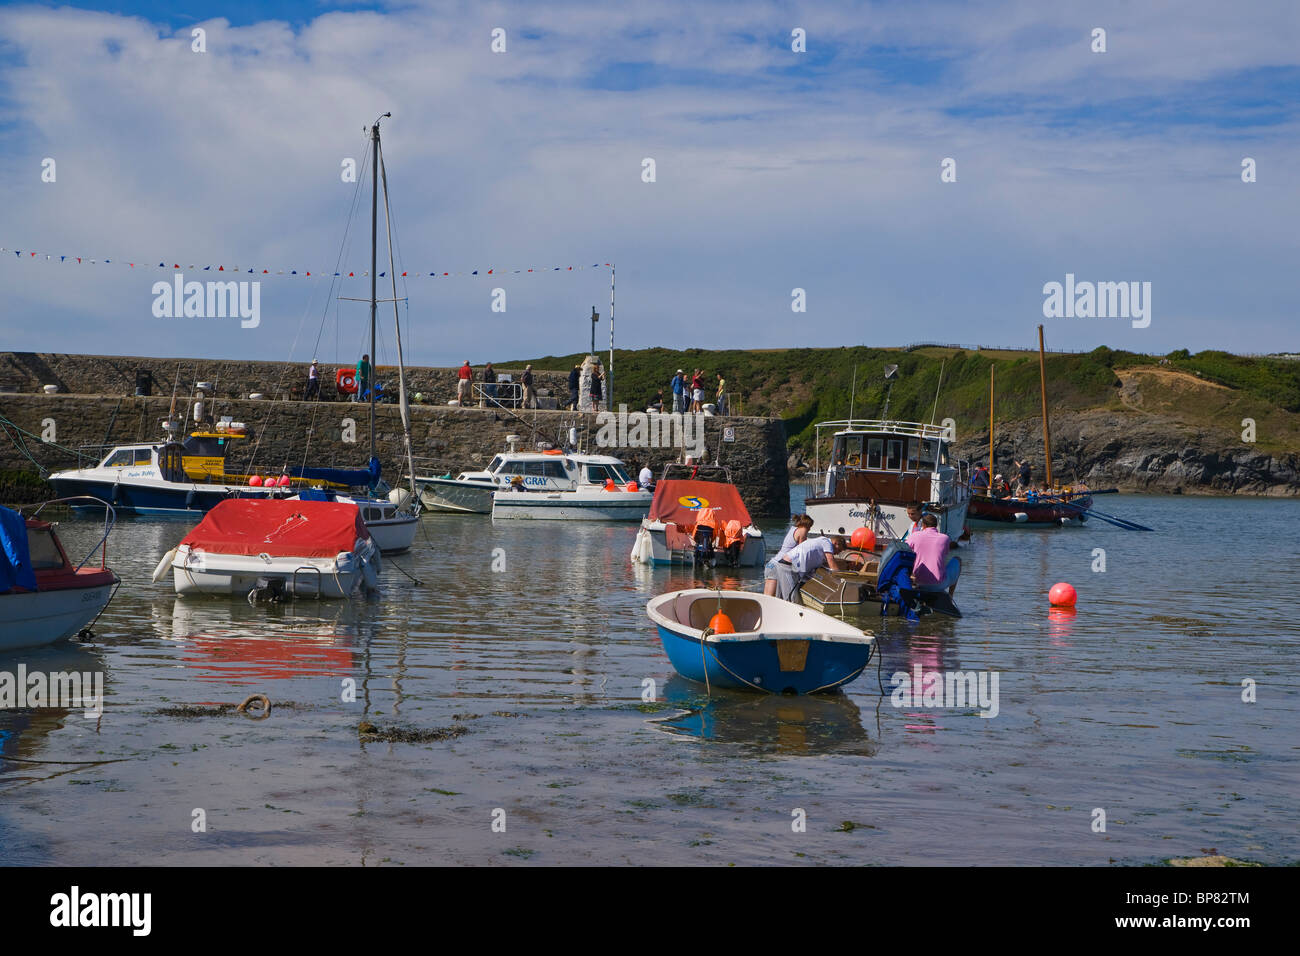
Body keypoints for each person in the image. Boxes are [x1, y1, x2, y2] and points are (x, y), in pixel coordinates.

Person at [773, 533, 845, 603]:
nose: (837, 553)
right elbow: (831, 560)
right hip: (789, 566)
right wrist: (840, 578)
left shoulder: (821, 545)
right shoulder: (826, 542)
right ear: (836, 543)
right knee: (792, 599)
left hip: (785, 565)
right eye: (839, 550)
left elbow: (825, 565)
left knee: (780, 598)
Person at [910, 514, 959, 597]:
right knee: (957, 559)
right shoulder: (945, 538)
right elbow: (944, 554)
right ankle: (950, 596)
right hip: (938, 585)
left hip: (917, 582)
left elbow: (904, 551)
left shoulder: (914, 536)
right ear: (936, 525)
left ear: (923, 525)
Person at [763, 515, 812, 596]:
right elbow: (802, 551)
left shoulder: (793, 529)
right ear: (807, 524)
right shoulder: (803, 530)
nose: (809, 529)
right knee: (772, 599)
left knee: (766, 597)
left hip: (771, 564)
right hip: (778, 566)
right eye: (810, 527)